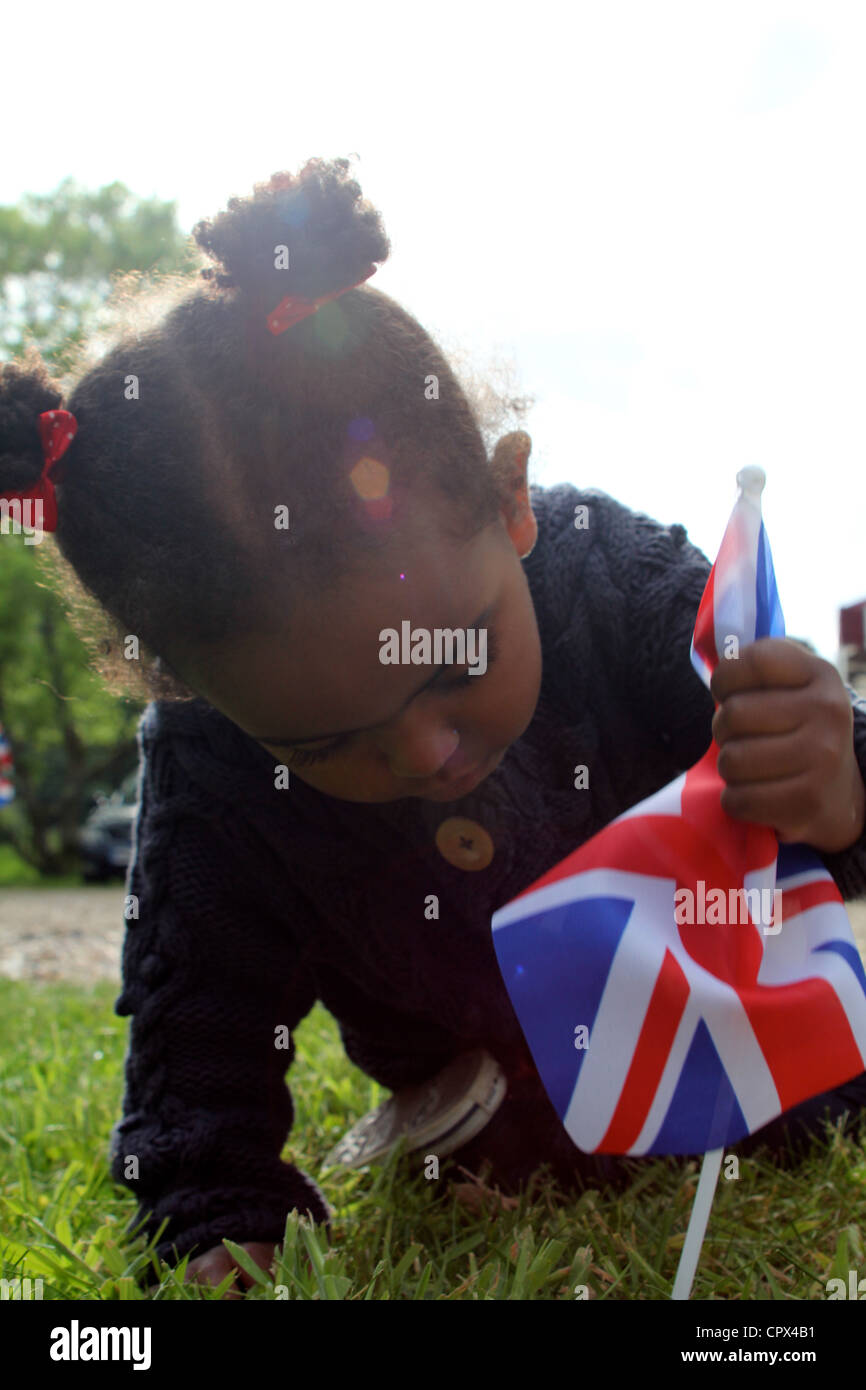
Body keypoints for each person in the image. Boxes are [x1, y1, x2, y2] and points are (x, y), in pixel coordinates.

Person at [2, 157, 866, 1300]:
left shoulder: (620, 588)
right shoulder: (213, 763)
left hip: (747, 1046)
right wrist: (213, 1210)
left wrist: (838, 785)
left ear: (509, 503)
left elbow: (820, 822)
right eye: (322, 744)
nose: (425, 752)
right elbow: (198, 1021)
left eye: (456, 661)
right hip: (476, 1107)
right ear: (182, 687)